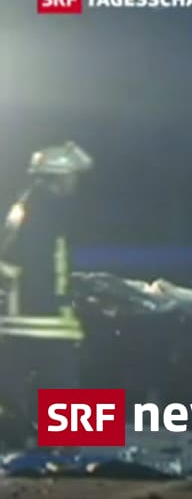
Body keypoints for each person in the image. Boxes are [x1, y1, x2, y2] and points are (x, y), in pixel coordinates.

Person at [0, 142, 92, 448]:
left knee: (16, 381)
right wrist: (44, 293)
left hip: (32, 314)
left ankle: (21, 442)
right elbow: (10, 261)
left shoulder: (31, 207)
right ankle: (69, 445)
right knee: (61, 379)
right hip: (41, 315)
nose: (75, 183)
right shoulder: (41, 210)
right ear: (57, 176)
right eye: (71, 176)